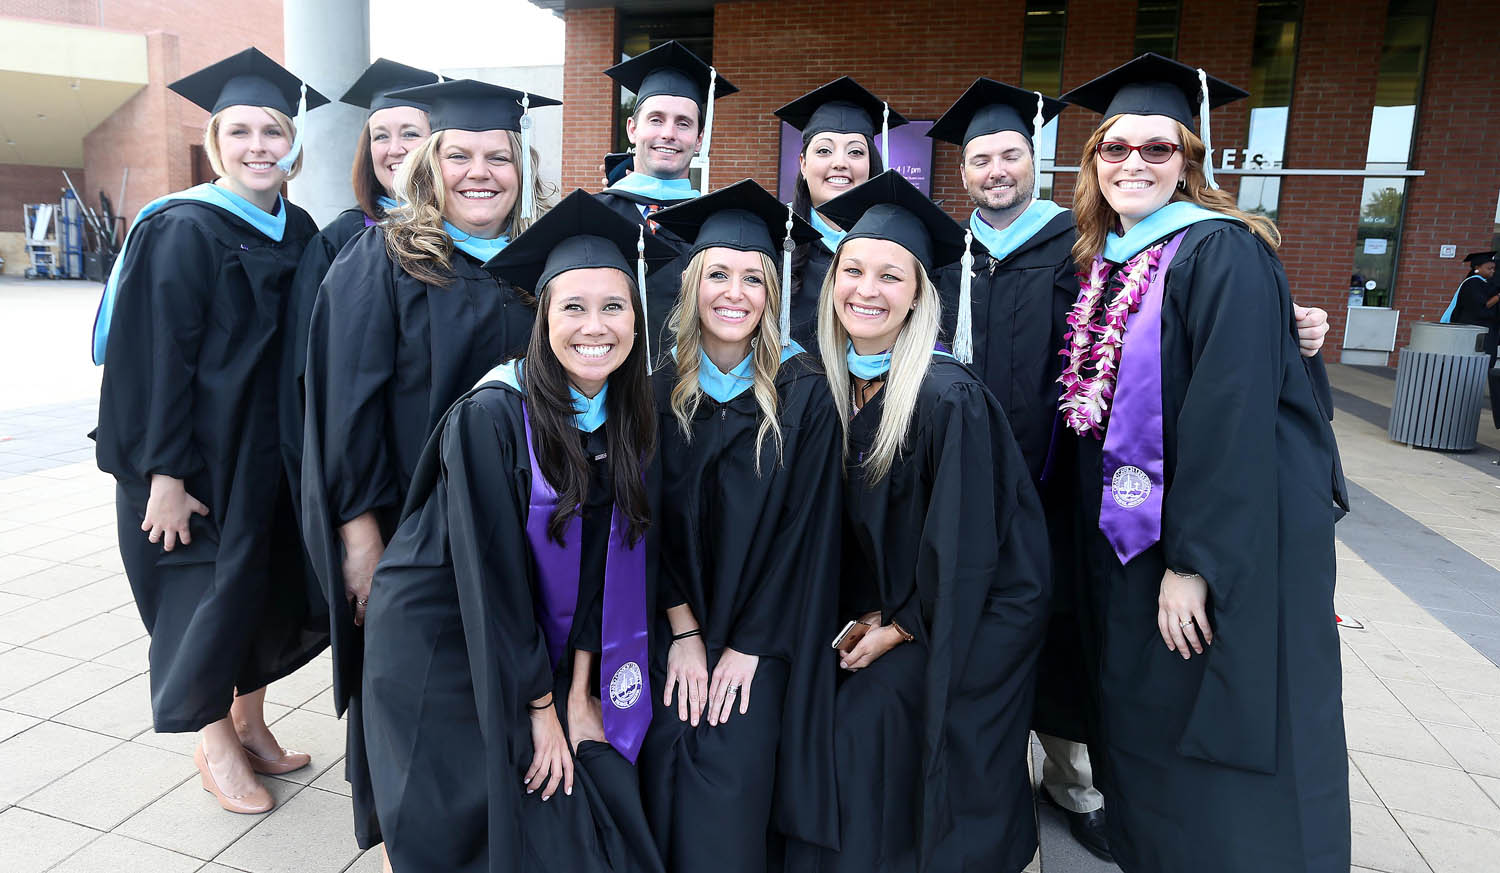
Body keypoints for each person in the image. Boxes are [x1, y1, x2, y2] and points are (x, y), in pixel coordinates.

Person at [1056, 53, 1349, 873]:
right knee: (1149, 722)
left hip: (1205, 549)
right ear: (1094, 163)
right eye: (1116, 149)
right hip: (1135, 539)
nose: (1134, 164)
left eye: (1158, 148)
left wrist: (1194, 563)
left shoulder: (1222, 252)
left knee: (1212, 728)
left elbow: (1235, 417)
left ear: (1190, 160)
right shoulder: (1113, 258)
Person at [361, 190, 675, 872]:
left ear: (637, 318)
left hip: (527, 641)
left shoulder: (629, 415)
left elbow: (612, 566)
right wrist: (541, 706)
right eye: (574, 307)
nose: (596, 326)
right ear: (543, 316)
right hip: (444, 634)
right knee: (455, 816)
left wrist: (580, 689)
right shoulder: (493, 415)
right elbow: (490, 577)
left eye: (614, 306)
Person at [300, 78, 556, 850]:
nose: (481, 173)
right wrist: (360, 540)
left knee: (516, 709)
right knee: (423, 710)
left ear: (523, 166)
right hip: (421, 539)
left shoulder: (545, 265)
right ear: (430, 165)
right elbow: (345, 409)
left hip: (535, 538)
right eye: (461, 156)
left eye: (498, 157)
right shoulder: (380, 260)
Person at [786, 170, 1052, 873]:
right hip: (877, 609)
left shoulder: (945, 397)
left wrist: (898, 625)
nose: (866, 290)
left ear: (918, 296)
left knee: (858, 722)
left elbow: (967, 551)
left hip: (963, 619)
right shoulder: (825, 383)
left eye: (891, 276)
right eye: (854, 270)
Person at [92, 47, 330, 815]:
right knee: (203, 600)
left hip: (269, 451)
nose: (259, 146)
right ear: (216, 140)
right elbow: (156, 359)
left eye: (273, 131)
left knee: (262, 590)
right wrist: (163, 474)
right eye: (242, 132)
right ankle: (214, 741)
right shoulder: (184, 228)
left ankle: (249, 719)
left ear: (293, 144)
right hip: (195, 458)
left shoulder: (301, 228)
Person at [926, 76, 1113, 861]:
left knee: (1065, 630)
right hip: (967, 487)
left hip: (1060, 482)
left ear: (1034, 159)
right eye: (980, 159)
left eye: (1009, 155)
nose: (996, 170)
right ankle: (984, 782)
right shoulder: (945, 253)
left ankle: (1074, 780)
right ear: (962, 173)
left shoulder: (1077, 247)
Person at [636, 180, 839, 870]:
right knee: (662, 738)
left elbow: (805, 533)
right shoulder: (658, 391)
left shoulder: (805, 391)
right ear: (692, 286)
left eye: (754, 277)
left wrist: (749, 644)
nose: (735, 291)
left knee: (730, 754)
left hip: (766, 633)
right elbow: (644, 525)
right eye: (718, 273)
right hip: (675, 620)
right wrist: (685, 632)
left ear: (772, 294)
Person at [279, 58, 439, 533]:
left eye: (410, 133)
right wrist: (353, 519)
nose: (393, 149)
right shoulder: (342, 241)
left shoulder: (478, 242)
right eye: (379, 135)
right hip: (377, 484)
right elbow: (316, 384)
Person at [599, 40, 738, 347]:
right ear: (632, 129)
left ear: (699, 139)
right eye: (656, 119)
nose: (668, 134)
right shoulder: (593, 215)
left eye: (683, 123)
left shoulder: (715, 224)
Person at [774, 77, 905, 347]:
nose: (840, 163)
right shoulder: (774, 237)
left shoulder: (898, 245)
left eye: (856, 152)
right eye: (824, 150)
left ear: (871, 164)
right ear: (803, 163)